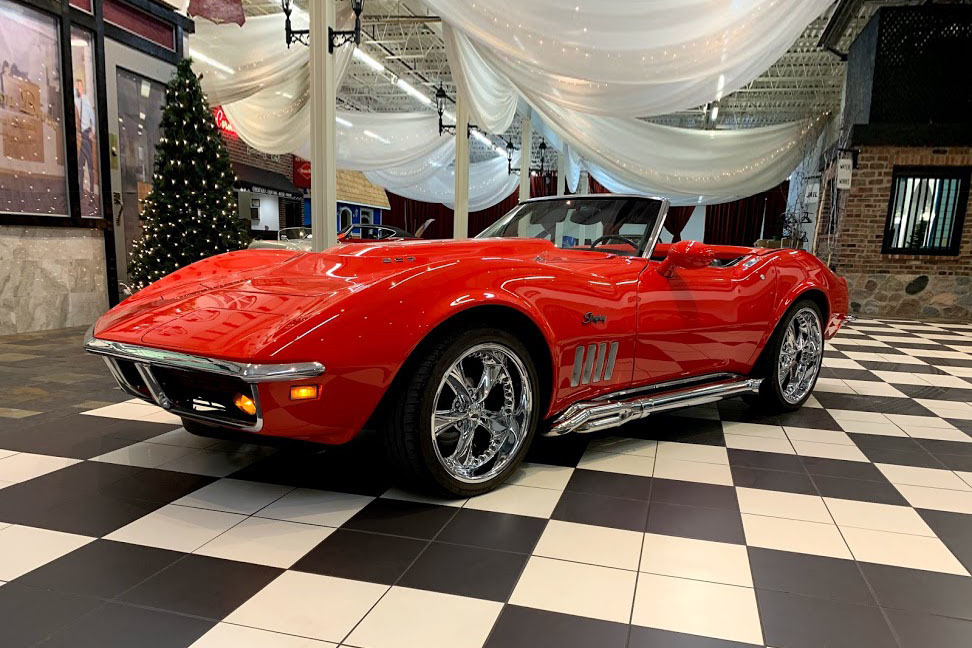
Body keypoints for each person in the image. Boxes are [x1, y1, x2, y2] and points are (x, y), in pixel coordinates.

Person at [74, 78, 96, 204]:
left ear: (82, 88)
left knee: (90, 166)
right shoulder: (75, 101)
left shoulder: (86, 100)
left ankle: (92, 193)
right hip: (79, 135)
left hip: (87, 134)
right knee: (80, 165)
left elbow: (92, 116)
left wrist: (93, 131)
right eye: (76, 86)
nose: (78, 88)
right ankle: (81, 192)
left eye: (79, 86)